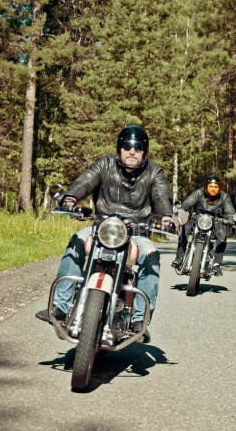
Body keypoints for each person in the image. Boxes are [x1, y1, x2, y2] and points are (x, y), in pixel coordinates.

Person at [49, 125, 173, 340]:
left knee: (151, 254)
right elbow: (87, 180)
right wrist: (70, 197)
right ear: (119, 148)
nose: (131, 151)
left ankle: (139, 320)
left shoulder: (154, 172)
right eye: (126, 146)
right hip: (102, 227)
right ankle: (60, 306)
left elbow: (161, 196)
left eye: (137, 147)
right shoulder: (105, 164)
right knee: (78, 240)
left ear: (144, 151)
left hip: (136, 232)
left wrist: (167, 217)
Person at [172, 173, 236, 276]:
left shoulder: (224, 196)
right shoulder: (198, 193)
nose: (213, 189)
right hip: (197, 218)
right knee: (185, 229)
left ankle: (216, 264)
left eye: (216, 187)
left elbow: (229, 211)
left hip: (215, 220)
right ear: (206, 186)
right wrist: (182, 211)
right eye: (211, 186)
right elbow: (187, 204)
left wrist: (231, 219)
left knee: (222, 236)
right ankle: (179, 258)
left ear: (219, 188)